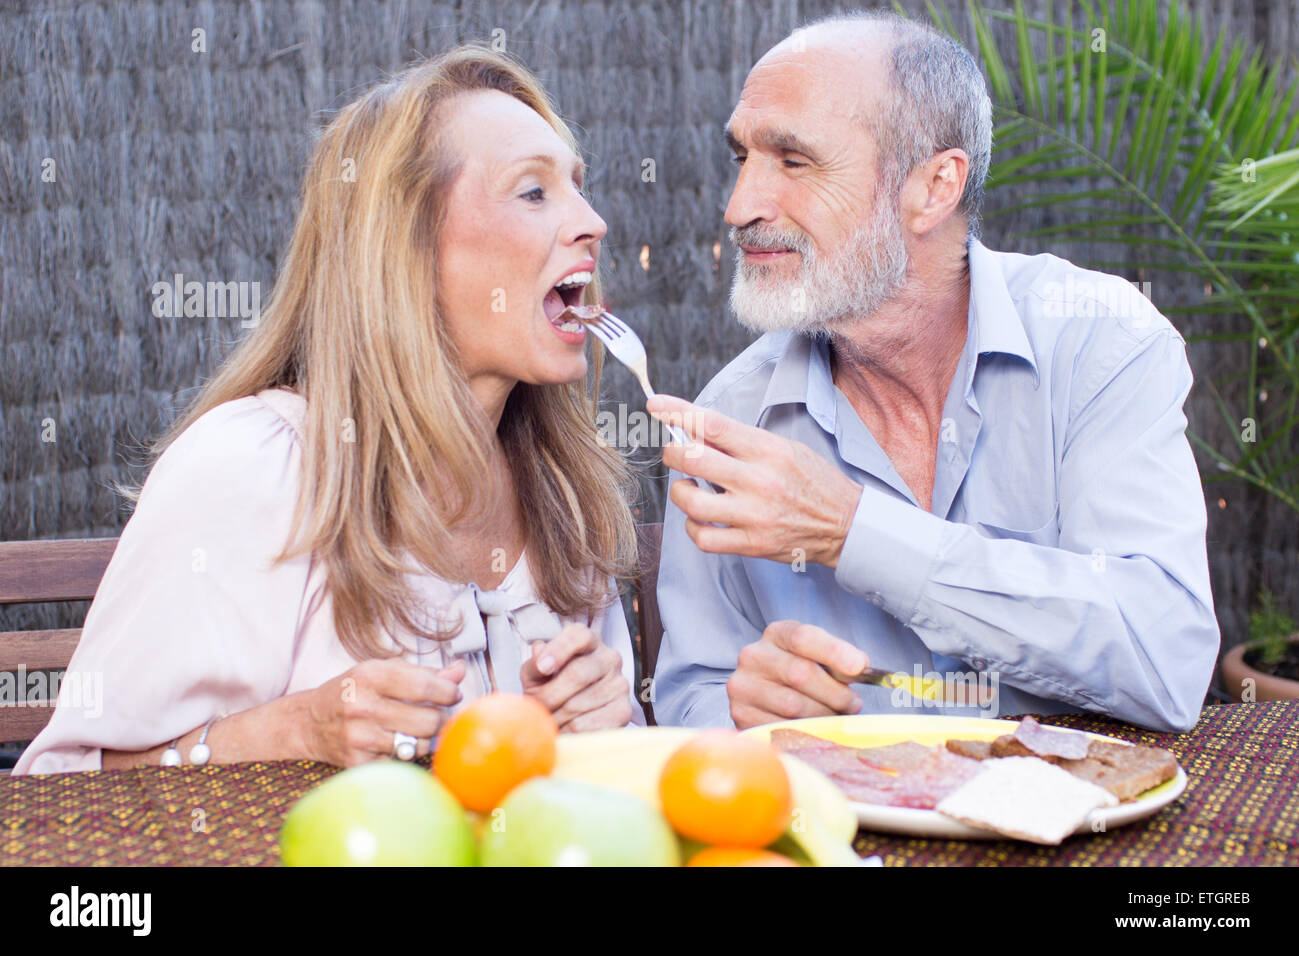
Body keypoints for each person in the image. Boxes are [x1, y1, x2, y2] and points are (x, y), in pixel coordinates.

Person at [16, 45, 643, 775]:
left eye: (578, 185)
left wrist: (609, 719)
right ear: (404, 246)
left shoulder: (562, 493)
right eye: (533, 192)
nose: (593, 221)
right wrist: (293, 735)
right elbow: (60, 793)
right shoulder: (252, 470)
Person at [650, 12, 1218, 734]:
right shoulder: (730, 422)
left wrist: (854, 531)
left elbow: (1165, 658)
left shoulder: (1101, 343)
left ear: (934, 187)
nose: (740, 207)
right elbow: (689, 697)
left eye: (793, 162)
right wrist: (741, 714)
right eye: (743, 159)